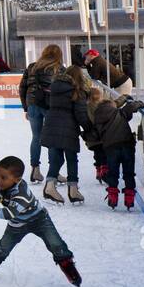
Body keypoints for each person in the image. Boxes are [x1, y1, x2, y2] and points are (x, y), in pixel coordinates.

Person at [0, 152, 81, 286]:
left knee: (55, 243)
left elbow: (9, 213)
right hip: (17, 224)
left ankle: (67, 265)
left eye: (3, 178)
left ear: (17, 179)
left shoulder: (21, 193)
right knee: (3, 246)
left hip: (39, 220)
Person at [84, 87, 144, 210]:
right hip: (126, 145)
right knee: (129, 173)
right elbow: (130, 108)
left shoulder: (98, 119)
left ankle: (113, 197)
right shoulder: (119, 112)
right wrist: (139, 104)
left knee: (113, 173)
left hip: (110, 148)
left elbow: (95, 134)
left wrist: (86, 136)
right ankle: (129, 198)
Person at [40, 64, 92, 205]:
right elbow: (81, 114)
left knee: (56, 158)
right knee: (71, 159)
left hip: (51, 125)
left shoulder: (54, 87)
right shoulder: (77, 91)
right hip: (68, 128)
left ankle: (50, 186)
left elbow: (46, 102)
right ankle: (73, 190)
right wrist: (90, 129)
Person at [18, 44, 62, 185]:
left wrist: (26, 108)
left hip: (32, 104)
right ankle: (53, 172)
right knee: (52, 139)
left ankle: (35, 169)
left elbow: (22, 88)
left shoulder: (32, 67)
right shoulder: (59, 69)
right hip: (50, 106)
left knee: (36, 137)